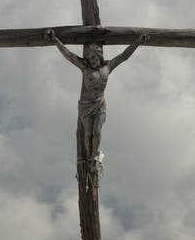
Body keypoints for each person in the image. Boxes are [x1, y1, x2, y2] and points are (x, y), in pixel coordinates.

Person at [46, 28, 149, 161]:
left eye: (95, 57)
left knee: (97, 132)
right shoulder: (85, 68)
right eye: (90, 58)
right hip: (85, 105)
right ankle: (89, 157)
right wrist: (55, 40)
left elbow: (124, 55)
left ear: (99, 57)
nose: (93, 60)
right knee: (88, 134)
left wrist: (138, 41)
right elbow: (69, 55)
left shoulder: (108, 67)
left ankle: (94, 156)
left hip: (100, 104)